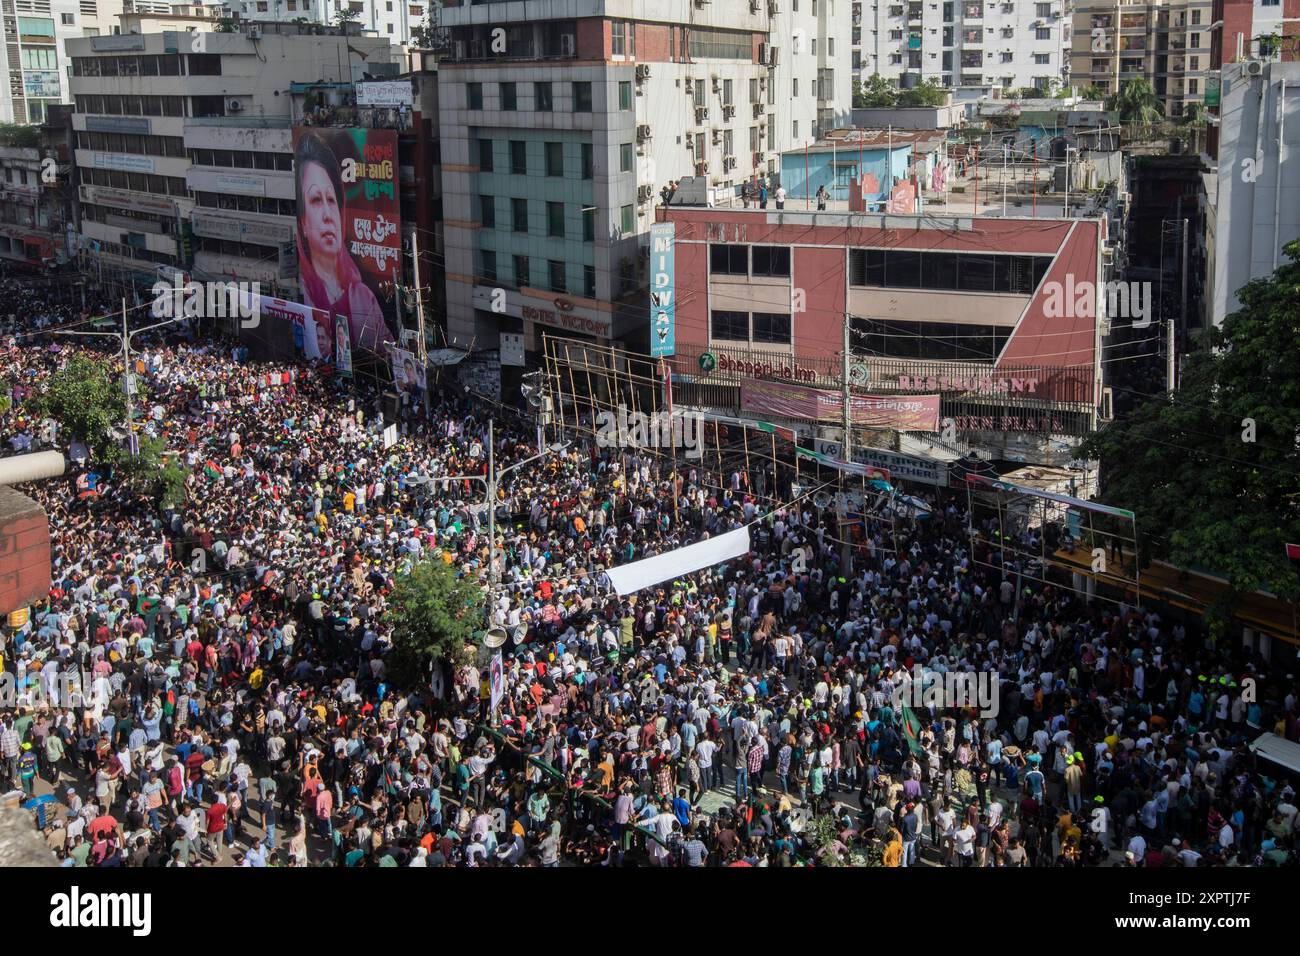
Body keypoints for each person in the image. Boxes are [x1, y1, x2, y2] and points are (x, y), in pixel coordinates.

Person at [294, 130, 394, 354]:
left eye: (331, 200)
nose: (328, 214)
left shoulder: (363, 296)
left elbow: (387, 350)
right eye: (316, 200)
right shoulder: (306, 290)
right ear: (302, 223)